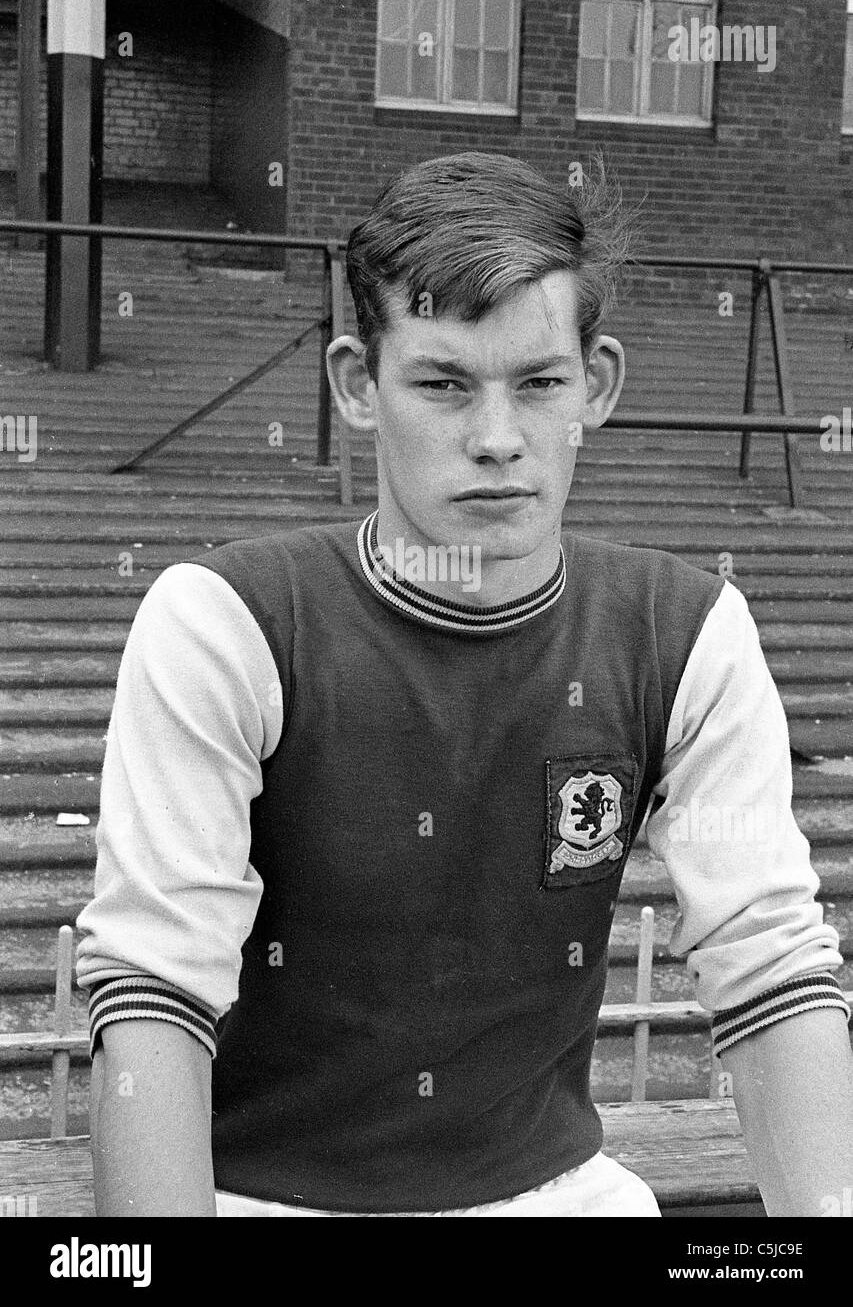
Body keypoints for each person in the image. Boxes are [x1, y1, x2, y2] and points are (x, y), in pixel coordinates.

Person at [76, 151, 853, 1218]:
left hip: (556, 1194)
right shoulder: (221, 622)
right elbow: (154, 998)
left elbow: (770, 971)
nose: (497, 440)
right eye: (443, 383)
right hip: (259, 1201)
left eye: (538, 383)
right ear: (359, 384)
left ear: (598, 384)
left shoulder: (689, 632)